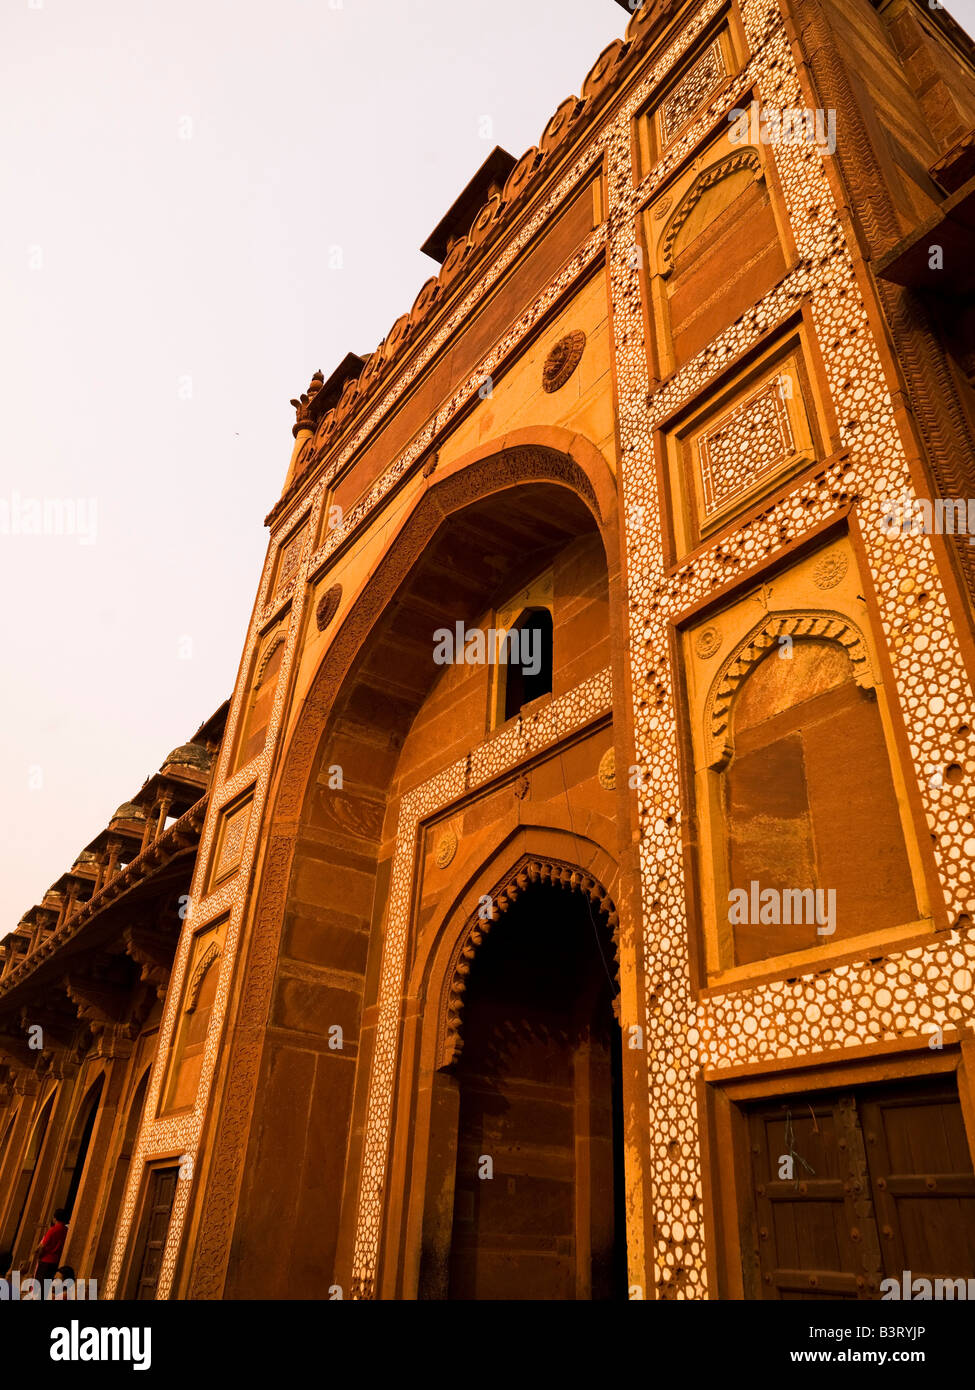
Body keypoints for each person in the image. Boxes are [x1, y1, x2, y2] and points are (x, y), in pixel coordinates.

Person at [34, 1208, 68, 1284]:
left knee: (39, 1286)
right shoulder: (66, 1230)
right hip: (55, 1262)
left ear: (55, 1218)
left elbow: (41, 1247)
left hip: (45, 1261)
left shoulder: (53, 1230)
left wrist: (36, 1252)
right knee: (47, 1286)